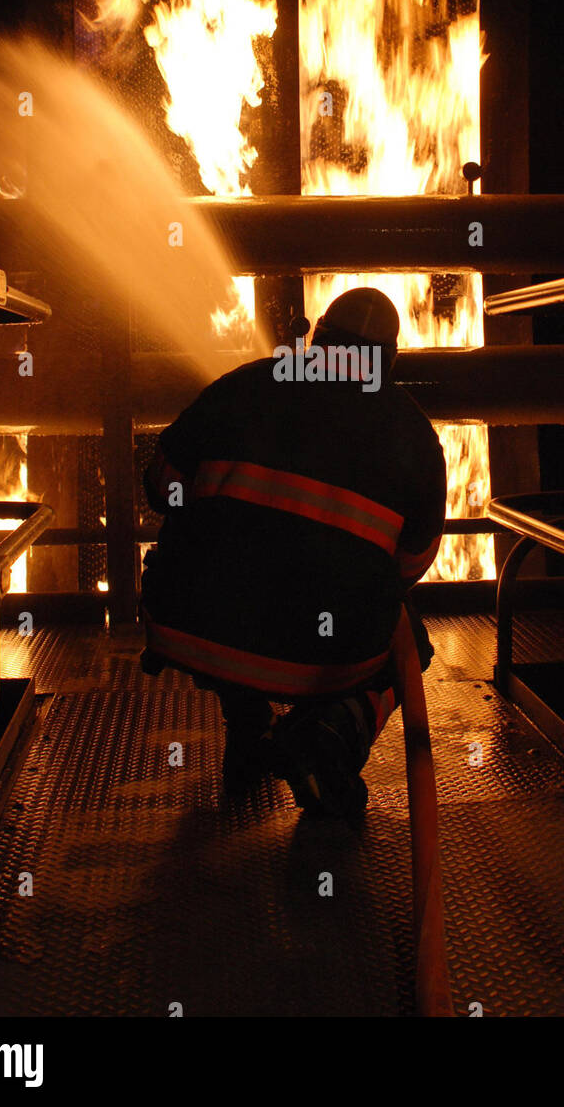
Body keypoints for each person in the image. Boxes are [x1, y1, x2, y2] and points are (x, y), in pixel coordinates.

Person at [139, 287, 447, 820]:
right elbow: (411, 566)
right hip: (327, 652)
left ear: (317, 337)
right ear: (389, 361)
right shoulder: (415, 434)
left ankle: (248, 723)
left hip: (192, 623)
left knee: (234, 577)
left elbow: (160, 481)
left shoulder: (251, 381)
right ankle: (333, 732)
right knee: (409, 640)